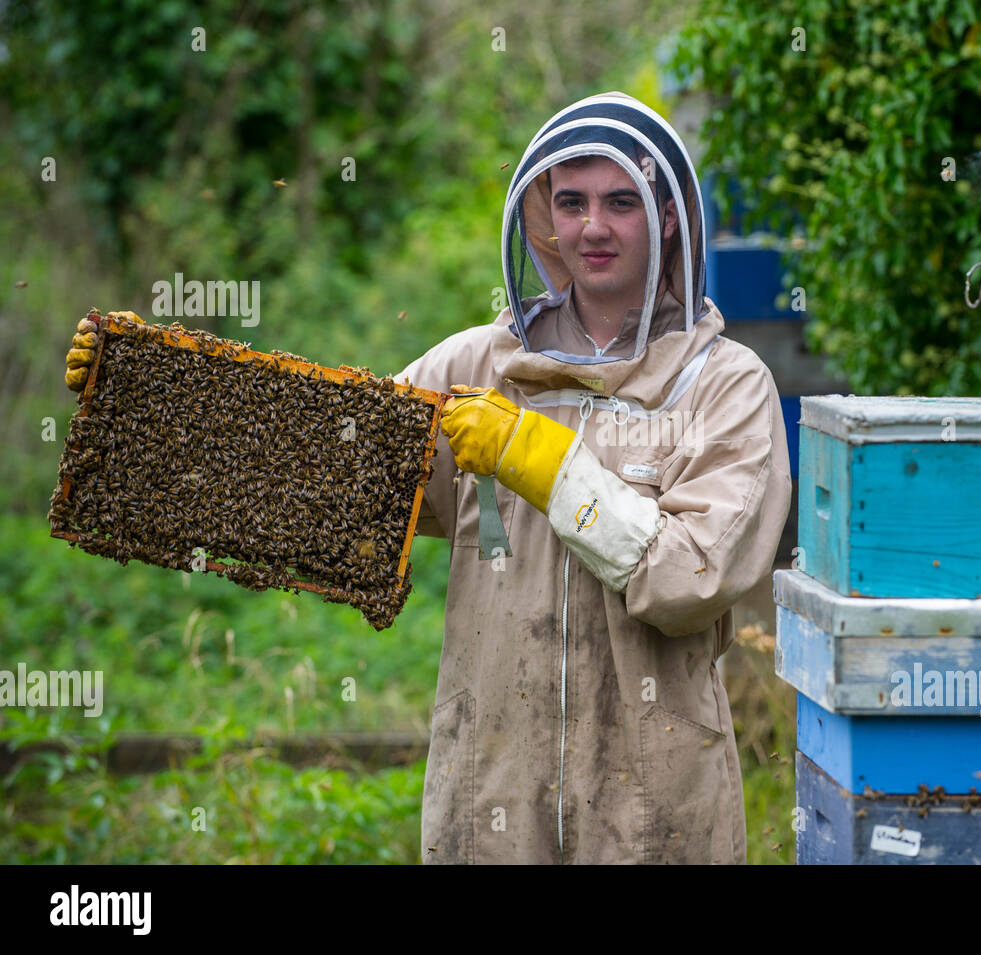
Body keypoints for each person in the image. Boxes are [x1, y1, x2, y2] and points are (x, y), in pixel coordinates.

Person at [66, 91, 792, 864]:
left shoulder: (726, 387)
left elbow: (690, 579)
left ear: (670, 216)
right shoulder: (477, 365)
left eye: (621, 202)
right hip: (494, 788)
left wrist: (542, 464)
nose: (592, 228)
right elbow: (335, 481)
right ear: (544, 213)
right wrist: (160, 409)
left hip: (654, 801)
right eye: (572, 202)